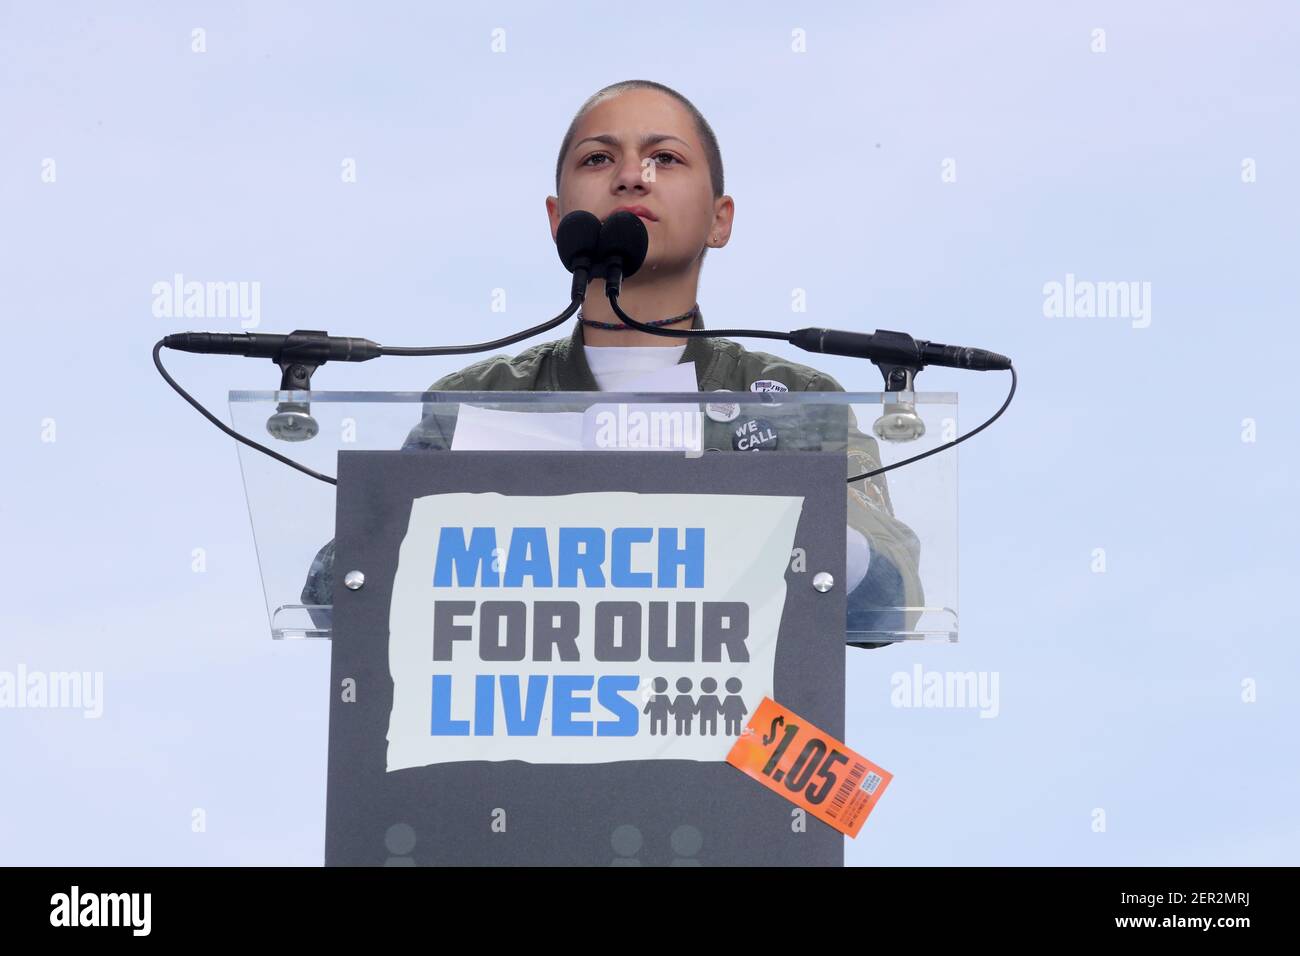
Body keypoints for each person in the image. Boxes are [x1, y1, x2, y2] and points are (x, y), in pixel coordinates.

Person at [302, 80, 923, 647]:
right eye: (599, 159)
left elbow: (890, 603)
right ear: (556, 219)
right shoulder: (477, 401)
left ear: (719, 219)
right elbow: (334, 595)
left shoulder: (792, 399)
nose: (633, 176)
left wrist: (746, 513)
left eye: (667, 158)